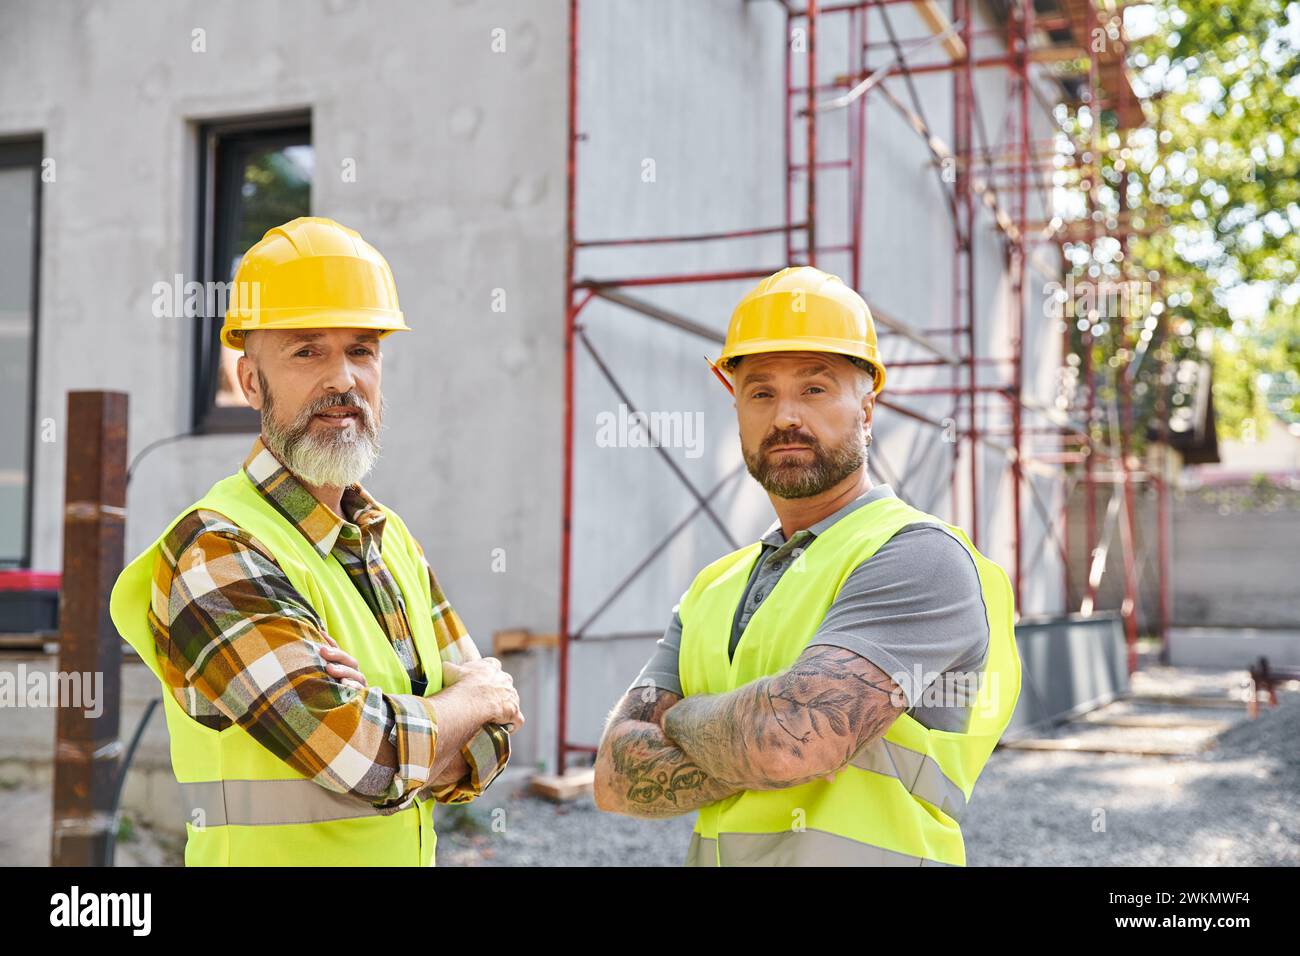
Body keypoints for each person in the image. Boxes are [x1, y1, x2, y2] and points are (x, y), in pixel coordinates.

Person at [110, 217, 523, 866]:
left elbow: (489, 750)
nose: (343, 380)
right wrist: (463, 702)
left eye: (362, 350)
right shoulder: (215, 550)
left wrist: (389, 720)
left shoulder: (390, 540)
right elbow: (367, 758)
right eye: (308, 351)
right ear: (250, 383)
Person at [593, 266, 1021, 866]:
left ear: (867, 407)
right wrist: (754, 729)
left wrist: (683, 720)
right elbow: (615, 775)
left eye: (814, 390)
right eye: (761, 392)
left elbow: (789, 743)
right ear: (736, 404)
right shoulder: (714, 586)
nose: (785, 416)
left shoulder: (919, 557)